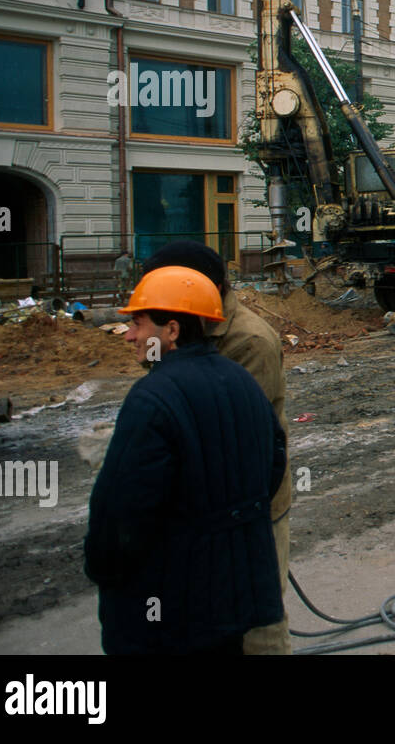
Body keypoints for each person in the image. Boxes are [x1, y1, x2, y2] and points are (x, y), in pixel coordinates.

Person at [84, 266, 286, 654]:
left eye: (139, 323)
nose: (129, 335)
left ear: (172, 332)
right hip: (230, 603)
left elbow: (121, 512)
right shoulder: (240, 380)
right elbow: (272, 466)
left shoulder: (152, 398)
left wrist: (103, 571)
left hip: (167, 612)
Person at [141, 240, 291, 655]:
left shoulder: (250, 342)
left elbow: (241, 442)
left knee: (258, 621)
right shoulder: (183, 328)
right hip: (207, 511)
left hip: (254, 506)